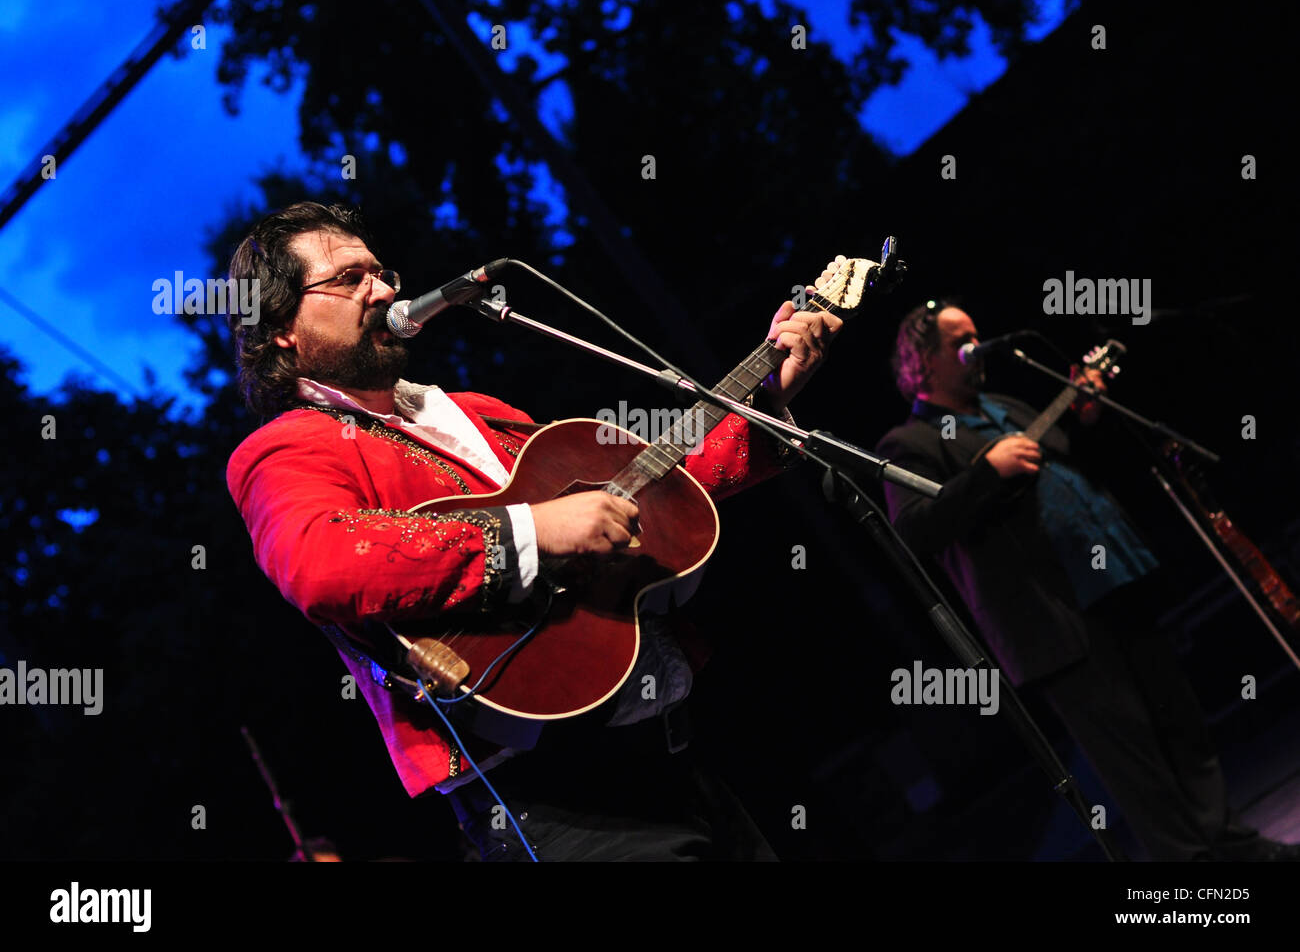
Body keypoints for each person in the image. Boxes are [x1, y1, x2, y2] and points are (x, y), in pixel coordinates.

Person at [224, 202, 841, 860]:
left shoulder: (476, 413)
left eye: (381, 272)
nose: (383, 290)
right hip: (549, 794)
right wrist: (530, 529)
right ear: (282, 328)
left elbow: (652, 492)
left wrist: (768, 400)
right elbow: (322, 563)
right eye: (349, 279)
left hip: (679, 747)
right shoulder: (285, 448)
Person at [874, 298, 1297, 861]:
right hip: (1053, 620)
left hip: (1113, 583)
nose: (976, 347)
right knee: (1134, 760)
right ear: (921, 362)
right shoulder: (911, 444)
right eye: (960, 341)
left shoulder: (1003, 405)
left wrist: (1088, 416)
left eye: (975, 334)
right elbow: (916, 532)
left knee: (1181, 728)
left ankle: (1235, 846)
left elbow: (1066, 461)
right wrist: (986, 474)